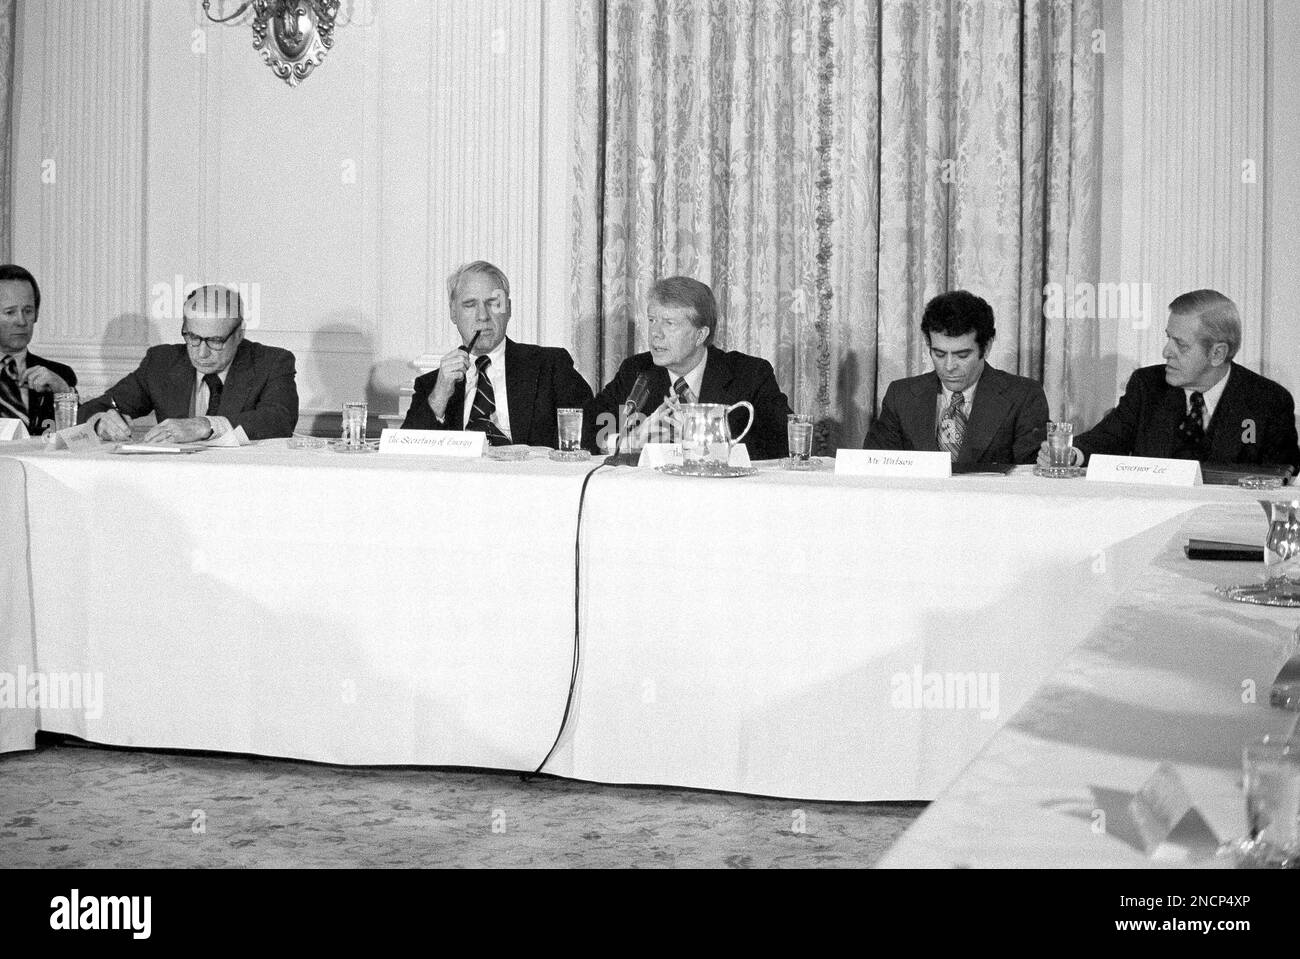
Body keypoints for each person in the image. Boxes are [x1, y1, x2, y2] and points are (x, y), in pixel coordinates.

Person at [1042, 289, 1300, 474]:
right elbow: (1108, 438)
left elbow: (1281, 475)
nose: (1166, 351)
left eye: (1181, 345)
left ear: (1217, 353)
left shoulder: (1267, 402)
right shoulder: (1147, 385)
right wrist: (1072, 454)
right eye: (1168, 338)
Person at [585, 276, 792, 459]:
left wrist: (703, 437)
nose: (655, 333)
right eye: (652, 320)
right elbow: (585, 434)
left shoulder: (749, 375)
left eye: (669, 323)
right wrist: (631, 441)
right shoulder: (636, 371)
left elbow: (784, 445)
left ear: (700, 335)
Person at [401, 261, 593, 446]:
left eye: (493, 303)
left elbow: (590, 436)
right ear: (453, 313)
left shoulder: (550, 367)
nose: (482, 316)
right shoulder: (431, 386)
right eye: (470, 304)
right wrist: (440, 394)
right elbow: (403, 455)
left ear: (508, 308)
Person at [80, 285, 298, 442]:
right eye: (192, 337)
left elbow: (279, 419)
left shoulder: (271, 363)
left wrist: (206, 425)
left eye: (215, 341)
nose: (201, 353)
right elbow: (91, 410)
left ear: (239, 334)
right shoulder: (161, 362)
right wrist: (100, 422)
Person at [864, 290, 1049, 464]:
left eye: (962, 356)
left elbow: (1033, 475)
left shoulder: (1023, 397)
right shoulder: (901, 396)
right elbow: (874, 466)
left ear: (987, 347)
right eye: (939, 354)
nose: (949, 366)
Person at [0, 264, 78, 436]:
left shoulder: (60, 375)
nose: (21, 321)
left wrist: (63, 392)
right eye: (10, 312)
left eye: (28, 311)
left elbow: (80, 439)